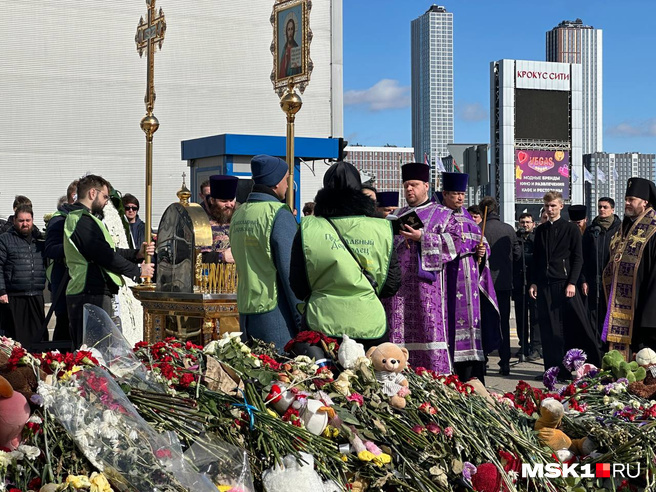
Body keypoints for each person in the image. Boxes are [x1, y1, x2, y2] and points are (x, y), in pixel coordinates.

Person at [290, 162, 400, 348]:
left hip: (321, 322)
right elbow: (392, 284)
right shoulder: (382, 228)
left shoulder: (308, 227)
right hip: (369, 322)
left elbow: (298, 284)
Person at [383, 163, 461, 375]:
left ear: (426, 186)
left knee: (428, 328)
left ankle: (434, 376)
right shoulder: (396, 214)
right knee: (398, 330)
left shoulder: (443, 215)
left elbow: (455, 243)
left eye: (414, 185)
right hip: (398, 288)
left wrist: (423, 238)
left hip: (427, 287)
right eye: (406, 185)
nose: (409, 189)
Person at [64, 175, 154, 348]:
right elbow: (103, 255)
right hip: (88, 290)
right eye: (105, 196)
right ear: (92, 193)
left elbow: (110, 250)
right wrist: (137, 271)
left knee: (102, 348)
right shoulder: (80, 220)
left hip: (94, 290)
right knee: (92, 351)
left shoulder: (88, 219)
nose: (106, 202)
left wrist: (136, 254)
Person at [230, 155, 301, 350]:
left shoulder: (239, 213)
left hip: (246, 308)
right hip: (275, 312)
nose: (288, 185)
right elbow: (290, 271)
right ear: (276, 182)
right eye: (286, 178)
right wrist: (301, 317)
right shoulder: (278, 213)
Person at [529, 192, 601, 375]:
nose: (550, 209)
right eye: (547, 206)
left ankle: (575, 367)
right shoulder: (541, 230)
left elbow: (578, 258)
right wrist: (534, 282)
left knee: (567, 327)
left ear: (561, 206)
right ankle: (551, 370)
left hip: (563, 284)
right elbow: (536, 259)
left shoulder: (571, 229)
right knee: (547, 328)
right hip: (544, 284)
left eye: (553, 206)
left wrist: (572, 282)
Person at [441, 174, 500, 383]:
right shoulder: (439, 217)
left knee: (472, 328)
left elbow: (483, 246)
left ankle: (473, 377)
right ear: (445, 194)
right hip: (447, 281)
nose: (460, 198)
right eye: (456, 194)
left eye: (462, 194)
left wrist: (482, 252)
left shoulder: (468, 218)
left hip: (470, 286)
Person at [603, 178, 656, 358]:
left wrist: (649, 313)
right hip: (619, 304)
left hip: (643, 304)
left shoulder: (653, 228)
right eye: (626, 199)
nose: (627, 203)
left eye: (631, 200)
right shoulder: (623, 228)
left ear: (645, 202)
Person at [479, 196, 521, 375]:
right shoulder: (508, 229)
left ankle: (484, 359)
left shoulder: (480, 229)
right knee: (503, 322)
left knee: (484, 322)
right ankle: (505, 362)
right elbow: (517, 254)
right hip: (504, 283)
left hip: (483, 284)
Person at [0, 205, 46, 351]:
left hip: (36, 296)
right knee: (16, 344)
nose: (25, 224)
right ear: (14, 221)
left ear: (32, 220)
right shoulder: (5, 240)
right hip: (14, 297)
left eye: (28, 220)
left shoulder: (40, 240)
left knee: (39, 342)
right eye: (21, 221)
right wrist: (1, 291)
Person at [43, 179, 80, 342]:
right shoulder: (59, 219)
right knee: (64, 322)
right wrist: (74, 248)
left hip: (79, 278)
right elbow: (50, 249)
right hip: (63, 278)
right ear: (73, 197)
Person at [582, 197, 621, 339]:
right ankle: (595, 343)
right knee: (593, 313)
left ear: (612, 209)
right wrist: (584, 280)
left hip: (613, 279)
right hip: (594, 279)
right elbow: (583, 257)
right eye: (600, 207)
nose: (602, 210)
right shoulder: (592, 230)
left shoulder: (620, 229)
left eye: (605, 207)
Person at [514, 213, 541, 360]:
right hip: (519, 282)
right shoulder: (516, 238)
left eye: (528, 222)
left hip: (534, 281)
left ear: (533, 224)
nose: (525, 225)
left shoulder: (536, 238)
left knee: (535, 316)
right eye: (522, 222)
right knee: (521, 315)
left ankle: (536, 347)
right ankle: (523, 345)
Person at [201, 175, 238, 264]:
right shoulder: (202, 222)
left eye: (231, 200)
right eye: (224, 201)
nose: (229, 205)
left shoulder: (239, 219)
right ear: (212, 200)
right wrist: (221, 257)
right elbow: (194, 256)